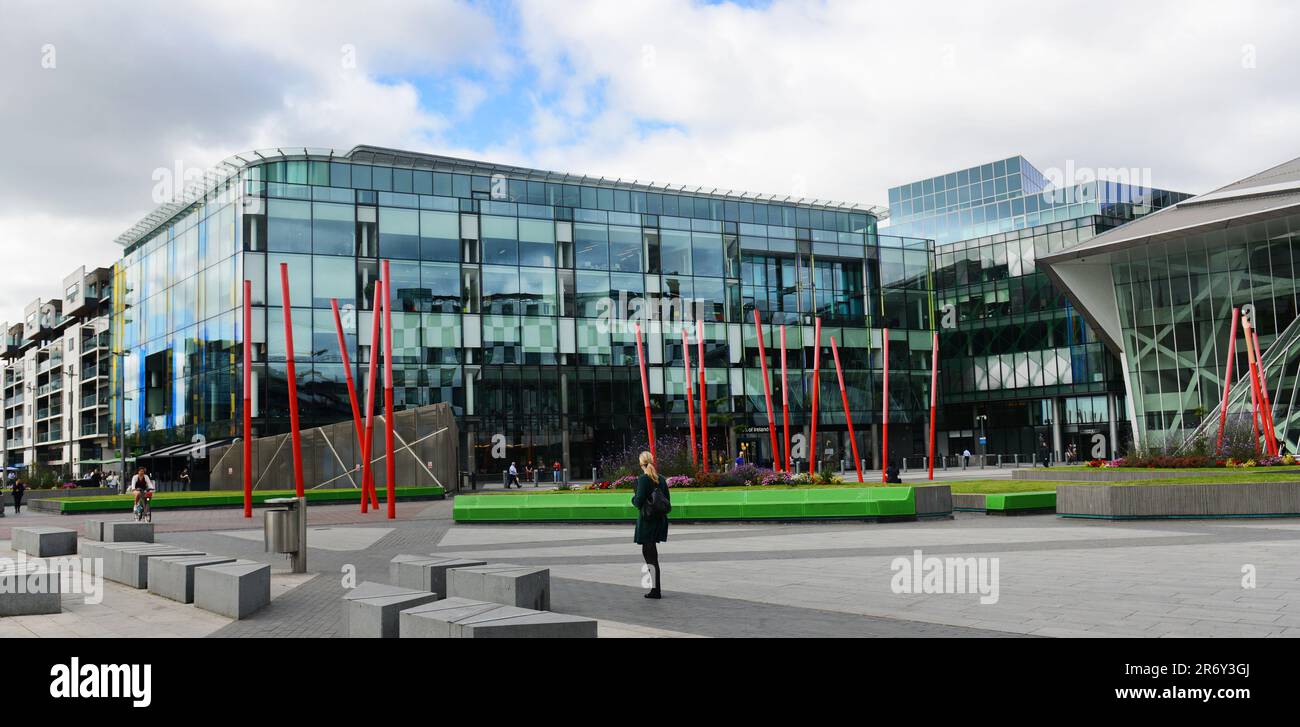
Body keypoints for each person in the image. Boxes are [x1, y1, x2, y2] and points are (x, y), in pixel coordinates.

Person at [631, 451, 669, 599]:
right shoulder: (662, 479)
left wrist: (633, 498)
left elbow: (638, 501)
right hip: (659, 521)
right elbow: (666, 501)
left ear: (641, 464)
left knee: (650, 557)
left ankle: (655, 590)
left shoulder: (643, 479)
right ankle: (655, 589)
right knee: (653, 556)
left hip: (647, 522)